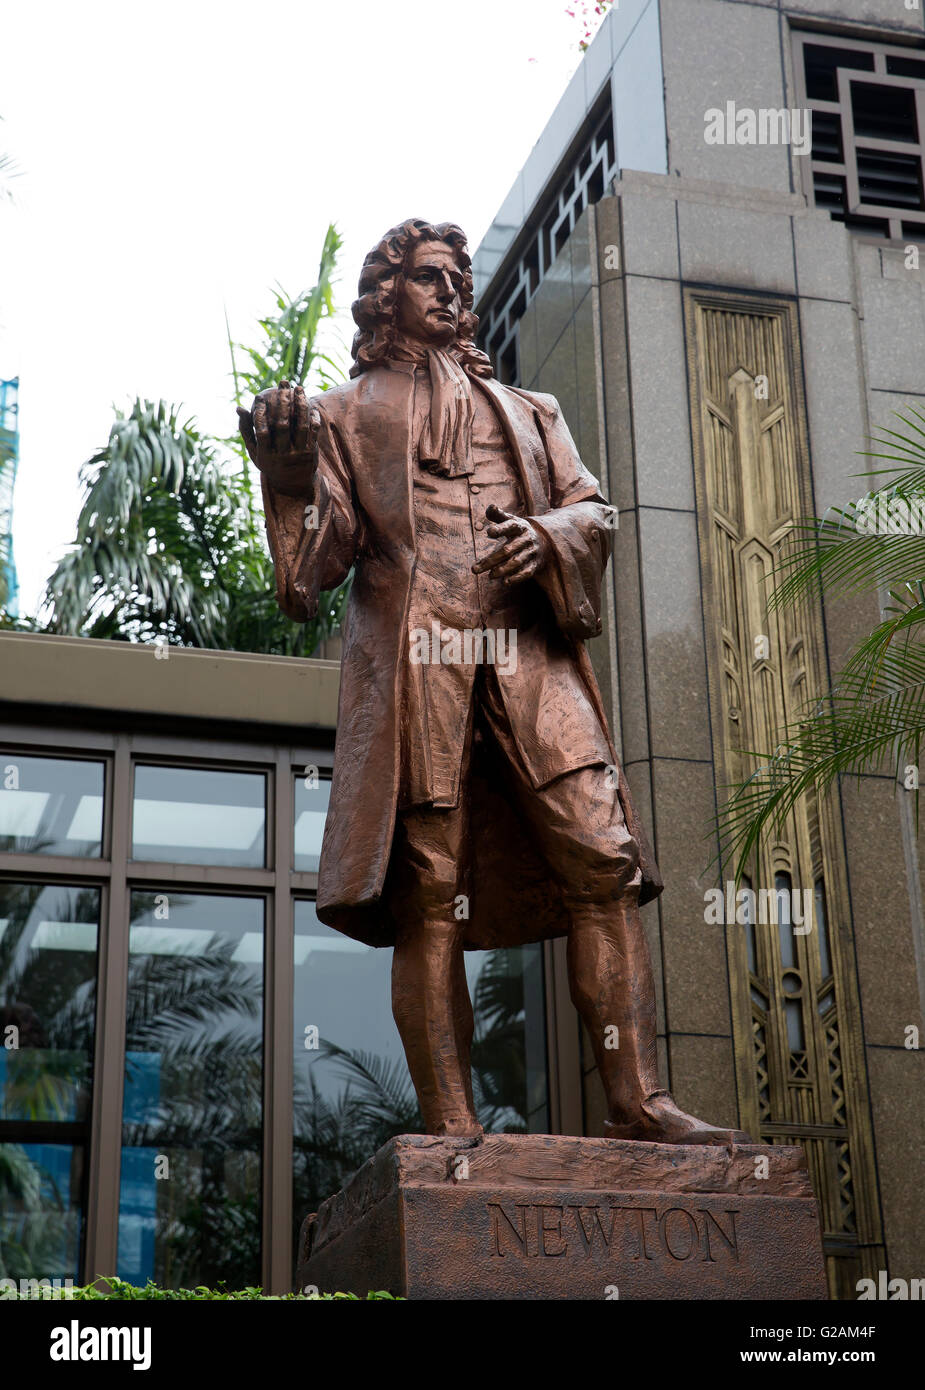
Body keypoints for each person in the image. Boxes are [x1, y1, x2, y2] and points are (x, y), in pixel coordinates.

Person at [239, 218, 746, 1146]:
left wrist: (550, 535)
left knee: (603, 861)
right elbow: (309, 582)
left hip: (526, 659)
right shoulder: (344, 414)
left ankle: (638, 1102)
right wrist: (283, 475)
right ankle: (452, 1126)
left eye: (457, 281)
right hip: (416, 665)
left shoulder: (532, 409)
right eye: (429, 279)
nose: (449, 294)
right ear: (387, 297)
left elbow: (594, 509)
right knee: (428, 889)